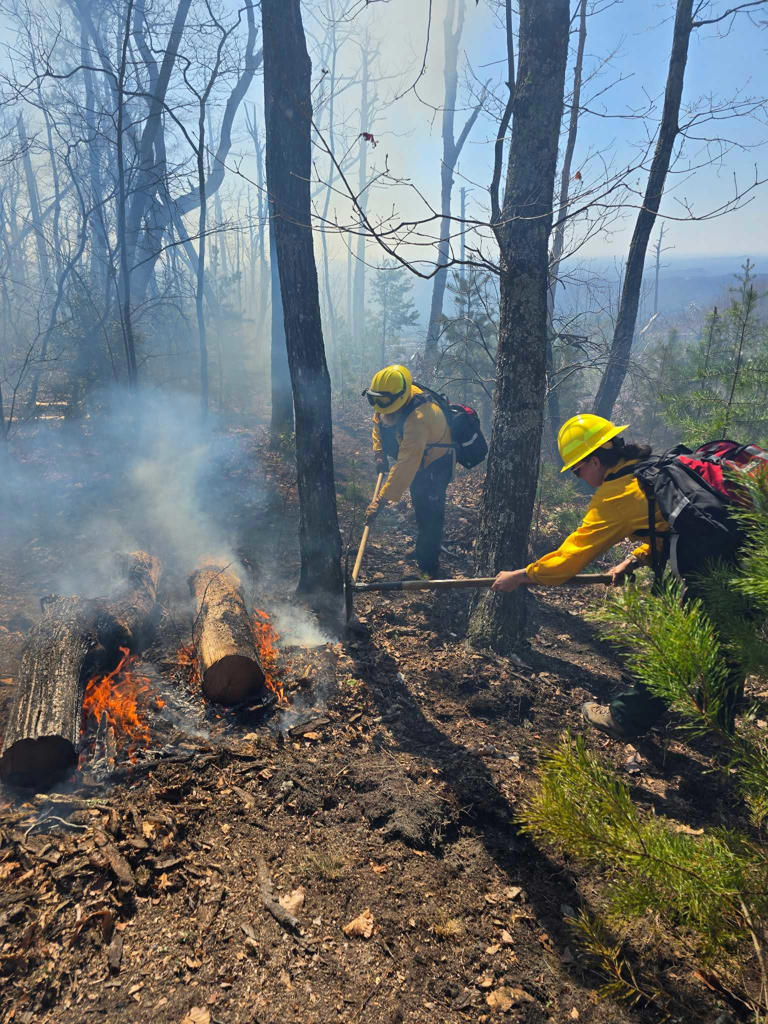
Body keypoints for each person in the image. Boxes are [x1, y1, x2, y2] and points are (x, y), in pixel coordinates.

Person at [491, 413, 744, 740]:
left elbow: (569, 559)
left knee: (680, 643)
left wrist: (522, 575)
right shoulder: (651, 466)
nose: (579, 477)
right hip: (745, 552)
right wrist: (635, 559)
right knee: (728, 642)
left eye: (579, 469)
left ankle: (625, 718)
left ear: (595, 460)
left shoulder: (615, 494)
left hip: (710, 563)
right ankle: (720, 726)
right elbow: (673, 521)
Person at [363, 364, 454, 578]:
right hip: (416, 457)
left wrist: (381, 500)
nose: (380, 408)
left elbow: (405, 465)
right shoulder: (385, 400)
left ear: (400, 398)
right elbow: (378, 423)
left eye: (384, 404)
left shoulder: (419, 418)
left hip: (435, 463)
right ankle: (423, 547)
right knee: (419, 501)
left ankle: (429, 564)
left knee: (431, 510)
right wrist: (378, 452)